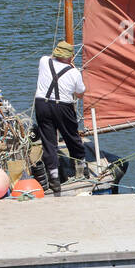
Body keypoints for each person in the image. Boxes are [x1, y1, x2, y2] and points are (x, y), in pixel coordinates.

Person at [34, 40, 87, 194]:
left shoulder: (44, 61)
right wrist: (72, 66)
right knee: (72, 137)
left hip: (42, 104)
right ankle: (80, 170)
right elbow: (80, 94)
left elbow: (50, 56)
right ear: (70, 57)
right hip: (63, 106)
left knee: (49, 142)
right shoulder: (74, 72)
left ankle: (54, 179)